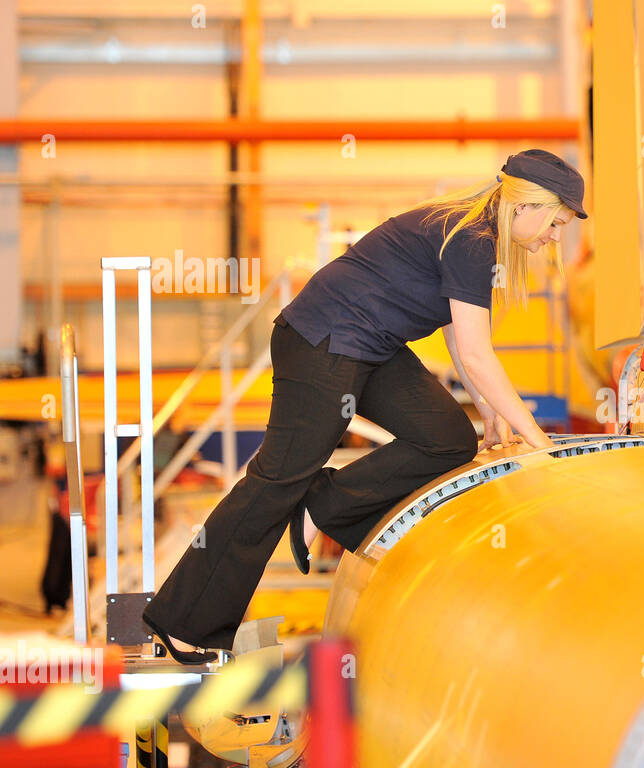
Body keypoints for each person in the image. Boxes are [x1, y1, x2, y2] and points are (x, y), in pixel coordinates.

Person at [140, 148, 587, 663]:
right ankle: (181, 620)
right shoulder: (473, 239)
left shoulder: (472, 232)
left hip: (371, 348)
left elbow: (459, 333)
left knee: (448, 439)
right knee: (276, 481)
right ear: (524, 207)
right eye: (554, 223)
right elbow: (475, 352)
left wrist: (489, 410)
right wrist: (537, 439)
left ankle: (322, 505)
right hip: (323, 341)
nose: (554, 237)